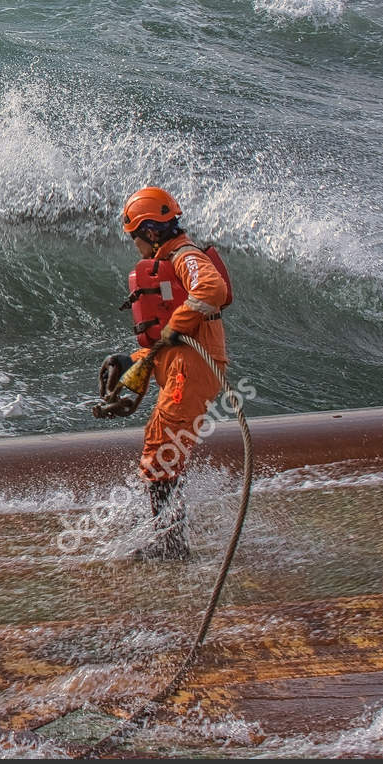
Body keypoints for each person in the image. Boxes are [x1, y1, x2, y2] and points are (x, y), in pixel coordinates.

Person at [101, 187, 232, 560]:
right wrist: (131, 363)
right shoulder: (169, 260)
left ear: (151, 231)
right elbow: (166, 345)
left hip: (194, 366)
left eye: (136, 237)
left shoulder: (185, 255)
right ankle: (169, 537)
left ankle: (171, 545)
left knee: (162, 454)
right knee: (160, 448)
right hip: (180, 364)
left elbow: (212, 288)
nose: (136, 246)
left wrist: (177, 323)